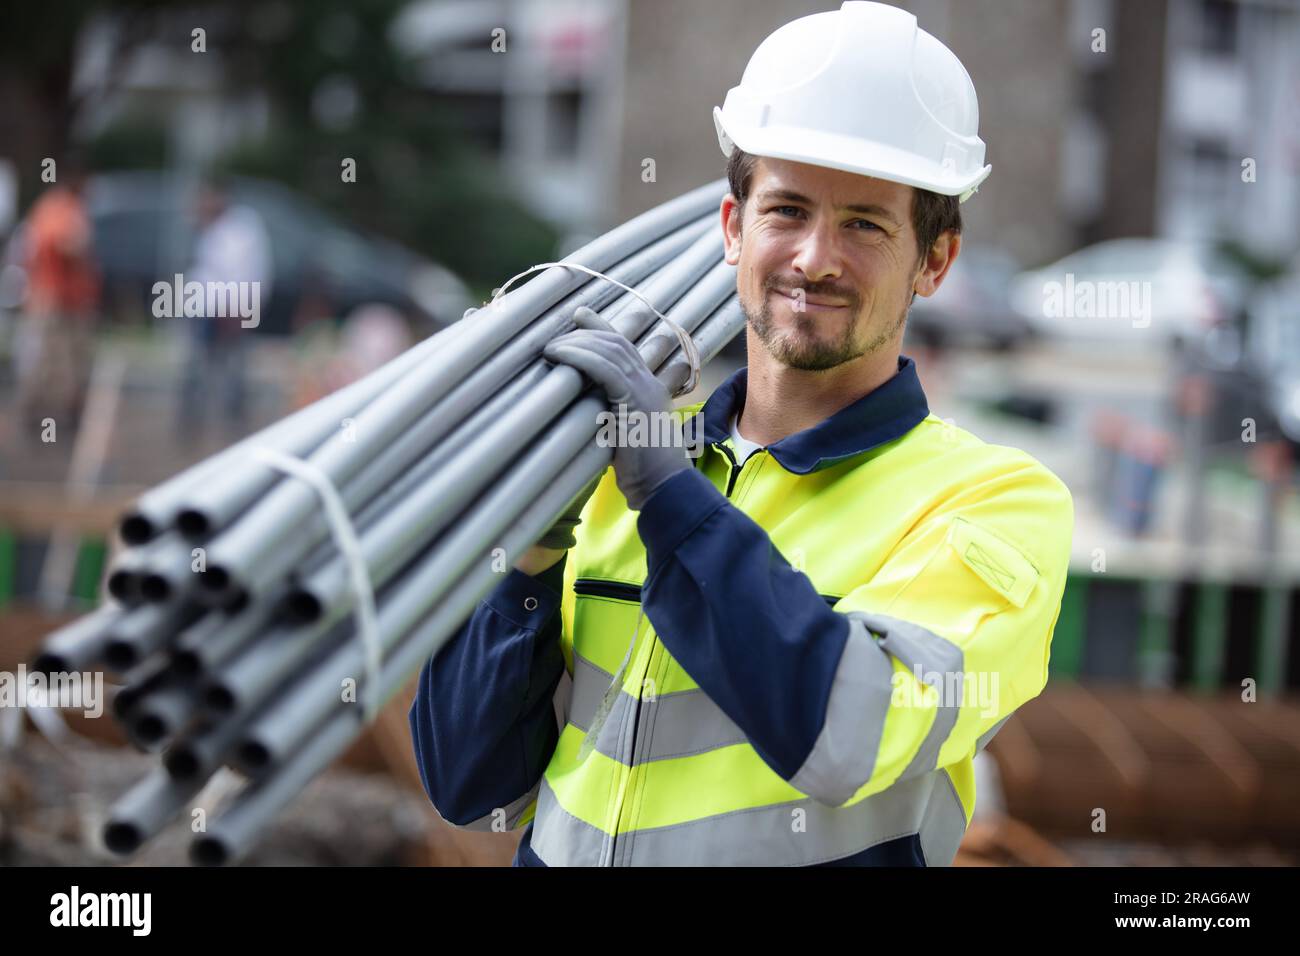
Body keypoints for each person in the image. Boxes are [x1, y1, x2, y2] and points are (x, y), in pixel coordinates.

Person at [410, 1, 1073, 866]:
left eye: (866, 224)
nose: (814, 259)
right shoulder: (614, 467)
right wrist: (528, 558)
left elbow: (845, 733)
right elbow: (469, 785)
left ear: (935, 259)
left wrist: (669, 501)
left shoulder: (993, 506)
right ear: (733, 229)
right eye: (787, 210)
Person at [176, 177, 272, 437]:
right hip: (205, 309)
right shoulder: (208, 230)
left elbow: (246, 273)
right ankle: (192, 426)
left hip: (230, 310)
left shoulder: (241, 231)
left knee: (231, 373)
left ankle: (233, 428)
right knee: (198, 370)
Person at [15, 159, 100, 437]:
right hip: (53, 299)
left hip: (70, 300)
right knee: (49, 360)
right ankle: (41, 418)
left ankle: (63, 417)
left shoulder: (68, 208)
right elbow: (64, 244)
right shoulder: (57, 208)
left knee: (71, 360)